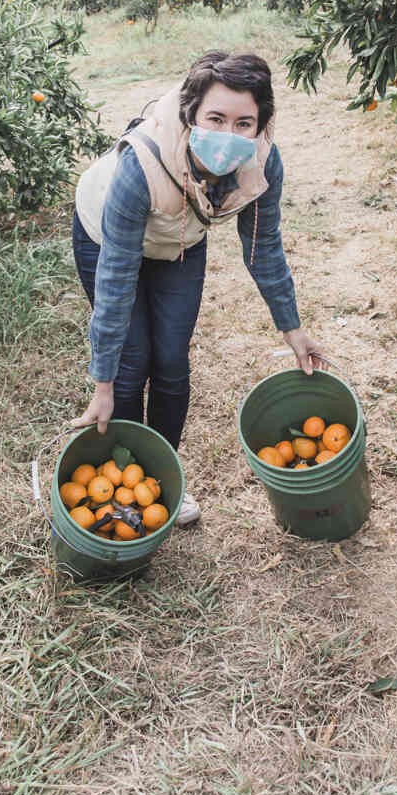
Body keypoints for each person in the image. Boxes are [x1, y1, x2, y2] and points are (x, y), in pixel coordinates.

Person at [69, 50, 327, 525]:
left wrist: (293, 331)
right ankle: (125, 477)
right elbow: (117, 277)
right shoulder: (140, 162)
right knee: (131, 361)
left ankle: (162, 475)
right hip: (105, 235)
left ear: (261, 124)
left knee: (169, 358)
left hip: (178, 239)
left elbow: (262, 248)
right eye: (216, 118)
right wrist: (101, 382)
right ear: (191, 114)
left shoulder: (262, 163)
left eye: (244, 122)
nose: (229, 134)